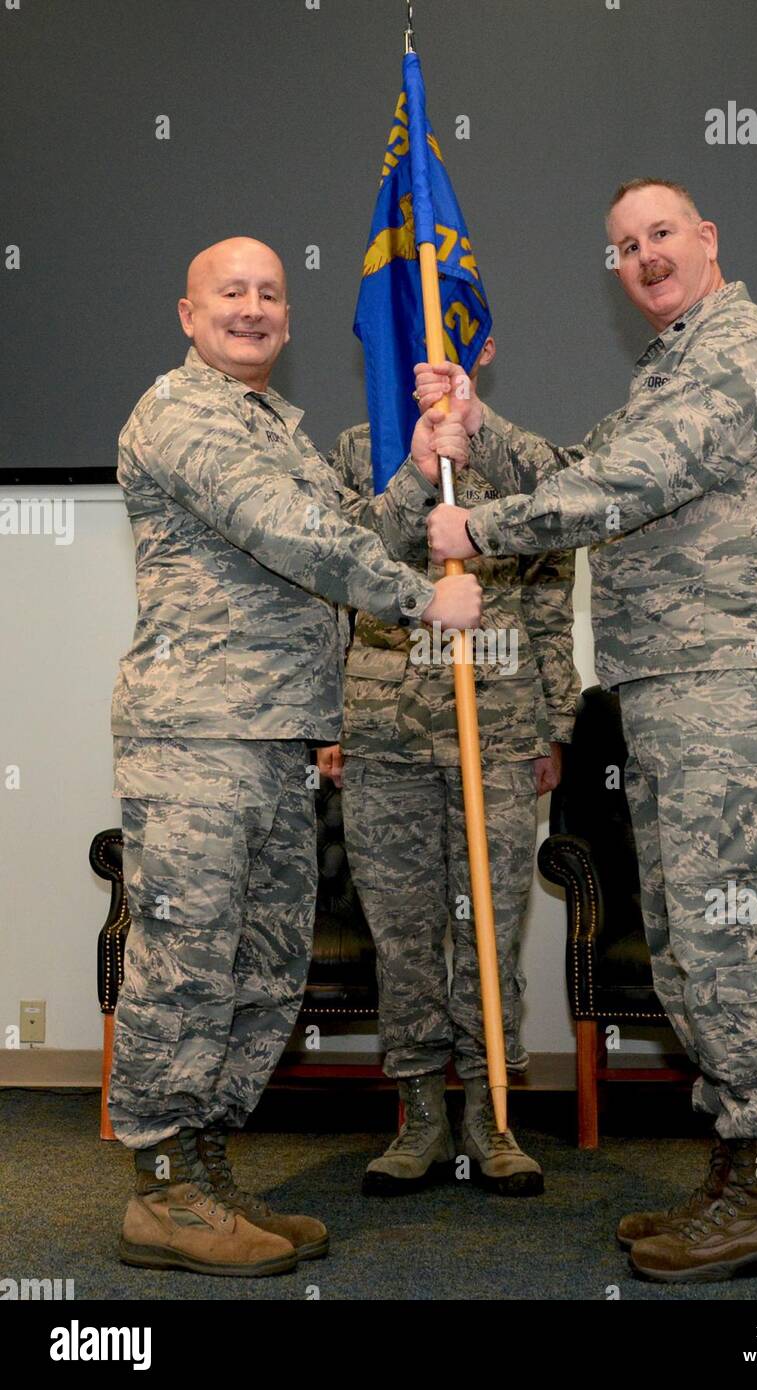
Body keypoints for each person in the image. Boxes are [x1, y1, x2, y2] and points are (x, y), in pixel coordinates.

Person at [417, 179, 757, 1282]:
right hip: (670, 688)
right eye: (623, 246)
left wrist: (477, 525)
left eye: (661, 235)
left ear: (707, 240)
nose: (644, 255)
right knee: (692, 944)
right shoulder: (667, 370)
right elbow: (583, 474)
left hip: (733, 684)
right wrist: (476, 421)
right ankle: (740, 1166)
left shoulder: (746, 348)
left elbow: (629, 489)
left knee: (730, 940)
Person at [109, 236, 480, 1277]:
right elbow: (294, 538)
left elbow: (348, 527)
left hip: (276, 741)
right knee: (186, 968)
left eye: (271, 293)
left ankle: (208, 1170)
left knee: (262, 971)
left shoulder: (275, 428)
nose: (254, 308)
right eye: (231, 291)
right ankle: (162, 1193)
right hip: (197, 736)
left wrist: (413, 477)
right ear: (188, 314)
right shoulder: (180, 413)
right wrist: (423, 597)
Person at [318, 336, 580, 1197]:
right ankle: (421, 1114)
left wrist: (557, 723)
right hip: (382, 729)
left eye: (456, 342)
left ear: (488, 349)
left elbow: (548, 597)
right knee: (402, 936)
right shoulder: (360, 451)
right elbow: (329, 576)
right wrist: (327, 719)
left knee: (490, 933)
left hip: (496, 728)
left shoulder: (521, 458)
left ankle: (491, 1117)